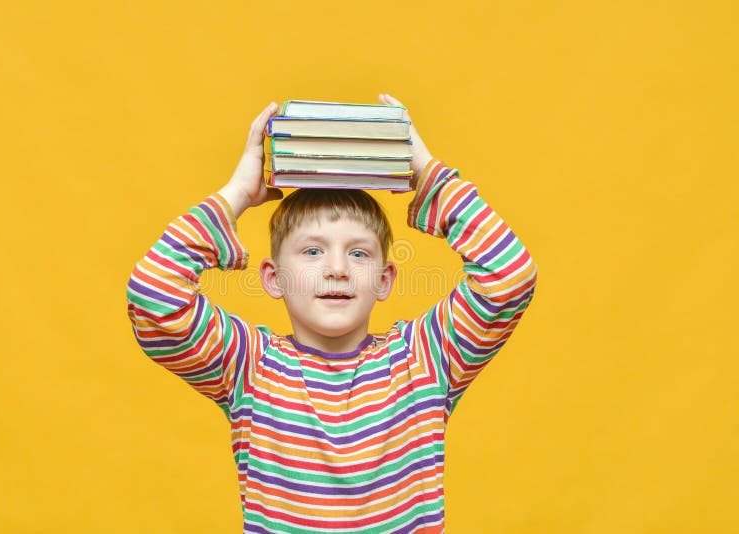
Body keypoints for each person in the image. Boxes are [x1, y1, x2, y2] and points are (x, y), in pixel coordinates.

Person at [127, 94, 538, 533]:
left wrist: (425, 172)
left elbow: (510, 275)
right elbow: (153, 296)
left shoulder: (423, 360)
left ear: (384, 280)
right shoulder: (251, 366)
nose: (338, 270)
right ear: (273, 277)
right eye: (312, 250)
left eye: (359, 254)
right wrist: (238, 194)